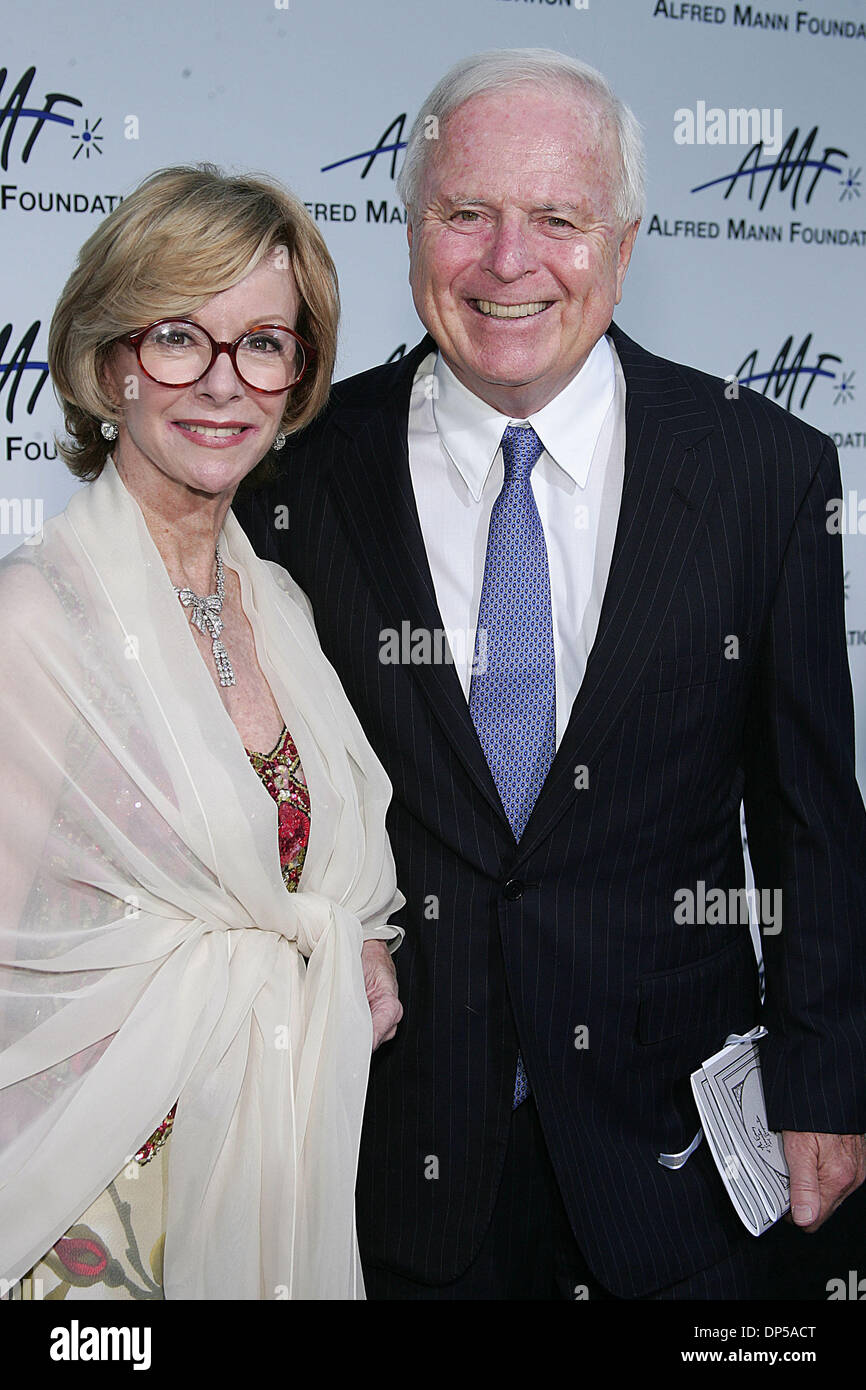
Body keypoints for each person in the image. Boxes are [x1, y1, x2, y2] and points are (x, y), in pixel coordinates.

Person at [235, 49, 866, 1300]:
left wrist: (825, 1079)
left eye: (556, 220)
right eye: (466, 214)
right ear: (412, 233)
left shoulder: (764, 472)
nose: (506, 261)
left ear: (622, 246)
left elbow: (810, 822)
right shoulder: (292, 476)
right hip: (383, 1163)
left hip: (680, 1166)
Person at [0, 165, 404, 1302]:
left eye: (263, 343)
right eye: (180, 336)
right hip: (84, 1212)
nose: (223, 384)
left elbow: (306, 881)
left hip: (261, 1177)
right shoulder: (37, 617)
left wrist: (350, 949)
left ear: (297, 372)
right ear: (113, 361)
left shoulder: (276, 606)